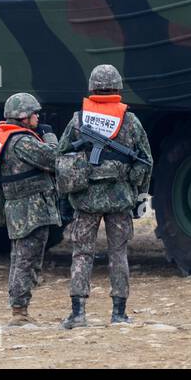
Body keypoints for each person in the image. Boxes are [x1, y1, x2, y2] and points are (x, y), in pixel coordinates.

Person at [57, 64, 152, 328]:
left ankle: (78, 313)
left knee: (82, 253)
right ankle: (119, 313)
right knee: (118, 254)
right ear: (118, 88)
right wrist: (135, 187)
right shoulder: (130, 121)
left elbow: (62, 156)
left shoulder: (79, 120)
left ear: (92, 88)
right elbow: (146, 160)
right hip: (120, 198)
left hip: (85, 198)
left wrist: (71, 187)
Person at [0, 92, 61, 324]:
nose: (37, 117)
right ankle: (19, 312)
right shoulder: (22, 141)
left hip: (21, 209)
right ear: (23, 117)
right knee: (27, 260)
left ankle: (19, 308)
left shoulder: (6, 138)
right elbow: (54, 158)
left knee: (20, 258)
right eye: (34, 113)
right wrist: (49, 136)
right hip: (31, 211)